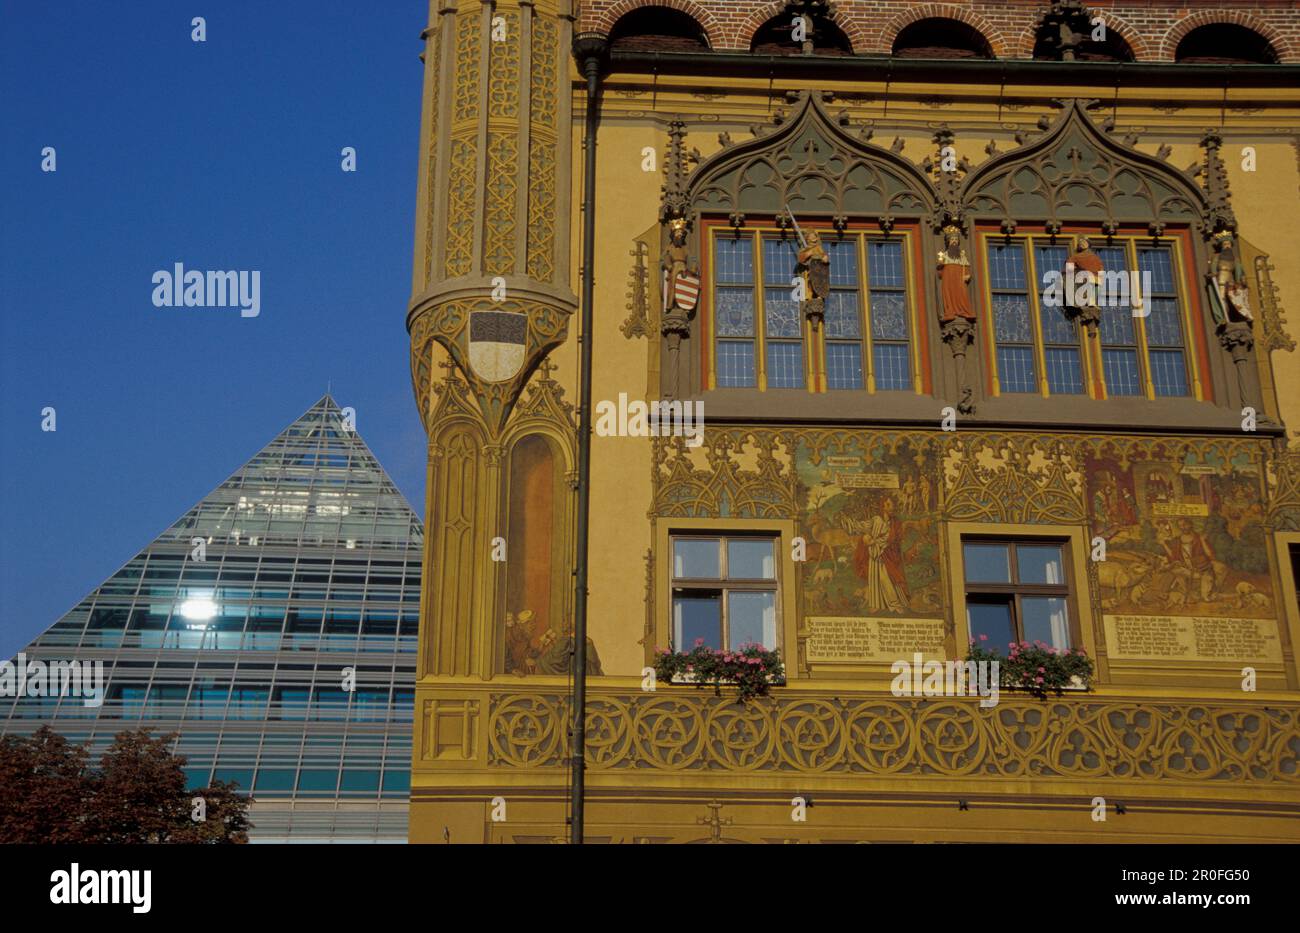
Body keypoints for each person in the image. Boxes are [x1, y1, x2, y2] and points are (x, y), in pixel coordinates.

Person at [936, 226, 974, 322]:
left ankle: (964, 311)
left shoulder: (961, 255)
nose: (954, 241)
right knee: (949, 294)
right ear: (948, 241)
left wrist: (967, 275)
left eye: (956, 239)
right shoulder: (944, 255)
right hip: (948, 278)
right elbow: (940, 274)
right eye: (952, 239)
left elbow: (966, 267)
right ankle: (950, 312)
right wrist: (940, 266)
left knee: (962, 294)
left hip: (959, 278)